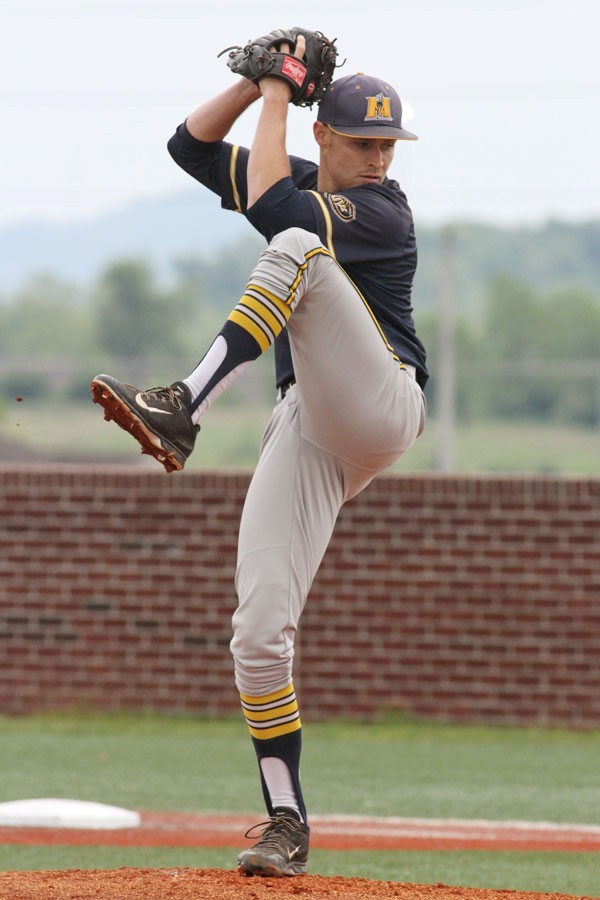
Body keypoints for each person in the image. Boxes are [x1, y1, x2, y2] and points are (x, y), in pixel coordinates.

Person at [91, 32, 428, 878]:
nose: (380, 156)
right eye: (363, 141)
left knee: (293, 250)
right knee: (257, 633)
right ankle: (288, 822)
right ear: (327, 137)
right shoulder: (304, 174)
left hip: (383, 401)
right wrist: (254, 83)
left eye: (388, 144)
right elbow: (189, 147)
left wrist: (284, 93)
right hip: (308, 422)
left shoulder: (383, 211)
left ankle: (181, 407)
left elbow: (281, 211)